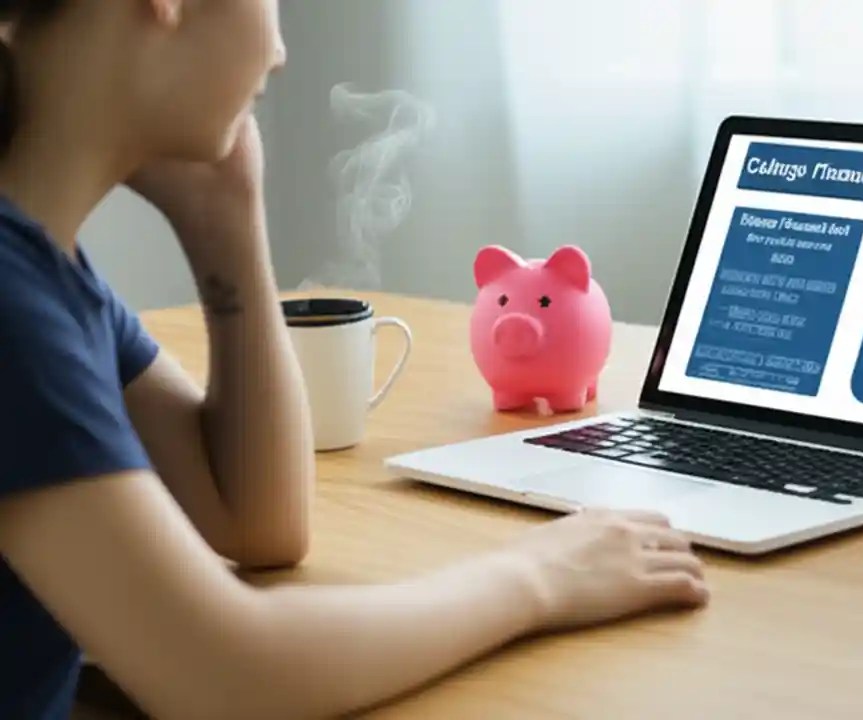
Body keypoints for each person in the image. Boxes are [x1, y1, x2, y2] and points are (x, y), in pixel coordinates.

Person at [0, 1, 709, 718]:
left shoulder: (47, 274)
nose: (278, 52)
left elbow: (257, 522)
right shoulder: (12, 305)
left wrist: (230, 222)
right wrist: (542, 576)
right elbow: (226, 675)